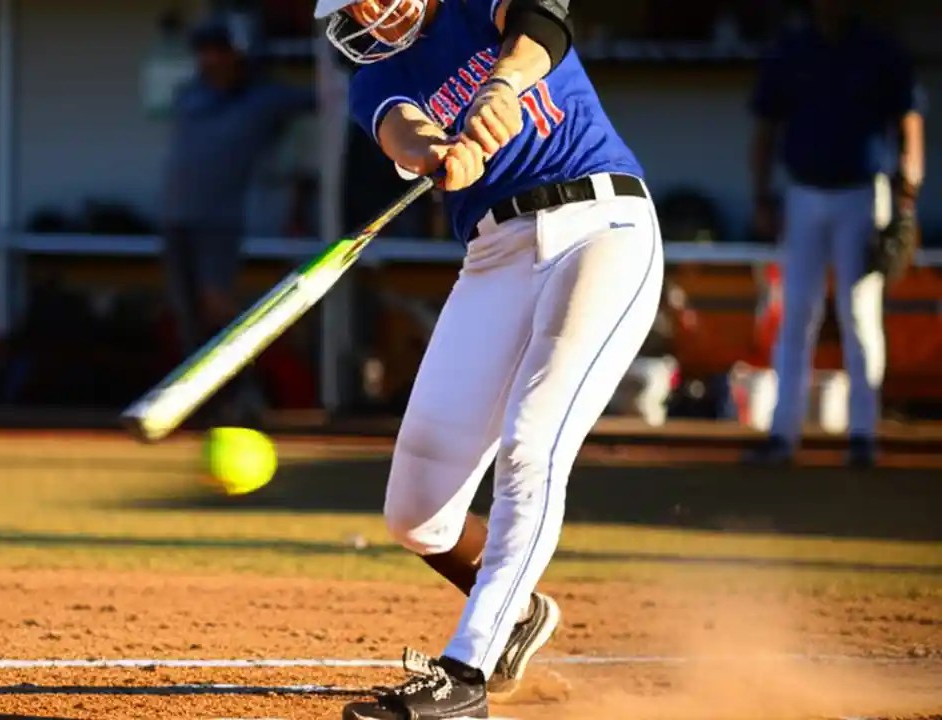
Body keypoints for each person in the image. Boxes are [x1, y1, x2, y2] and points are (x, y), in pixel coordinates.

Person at [312, 1, 663, 718]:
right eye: (353, 9)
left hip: (601, 224)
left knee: (531, 443)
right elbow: (402, 130)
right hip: (495, 254)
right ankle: (517, 612)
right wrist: (438, 152)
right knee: (417, 515)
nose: (368, 14)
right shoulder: (373, 77)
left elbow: (544, 23)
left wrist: (501, 87)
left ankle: (466, 674)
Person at [745, 0, 926, 468]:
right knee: (795, 313)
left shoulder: (878, 50)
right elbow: (766, 125)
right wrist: (762, 194)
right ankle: (783, 434)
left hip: (863, 195)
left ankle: (863, 435)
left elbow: (908, 120)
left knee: (859, 313)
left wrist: (907, 196)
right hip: (804, 193)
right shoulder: (793, 47)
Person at [159, 17, 315, 421]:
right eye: (204, 51)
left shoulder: (264, 99)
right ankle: (203, 404)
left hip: (220, 222)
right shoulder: (190, 95)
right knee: (187, 316)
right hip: (176, 219)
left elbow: (326, 97)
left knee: (217, 309)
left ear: (239, 55)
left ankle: (249, 393)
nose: (208, 59)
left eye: (218, 50)